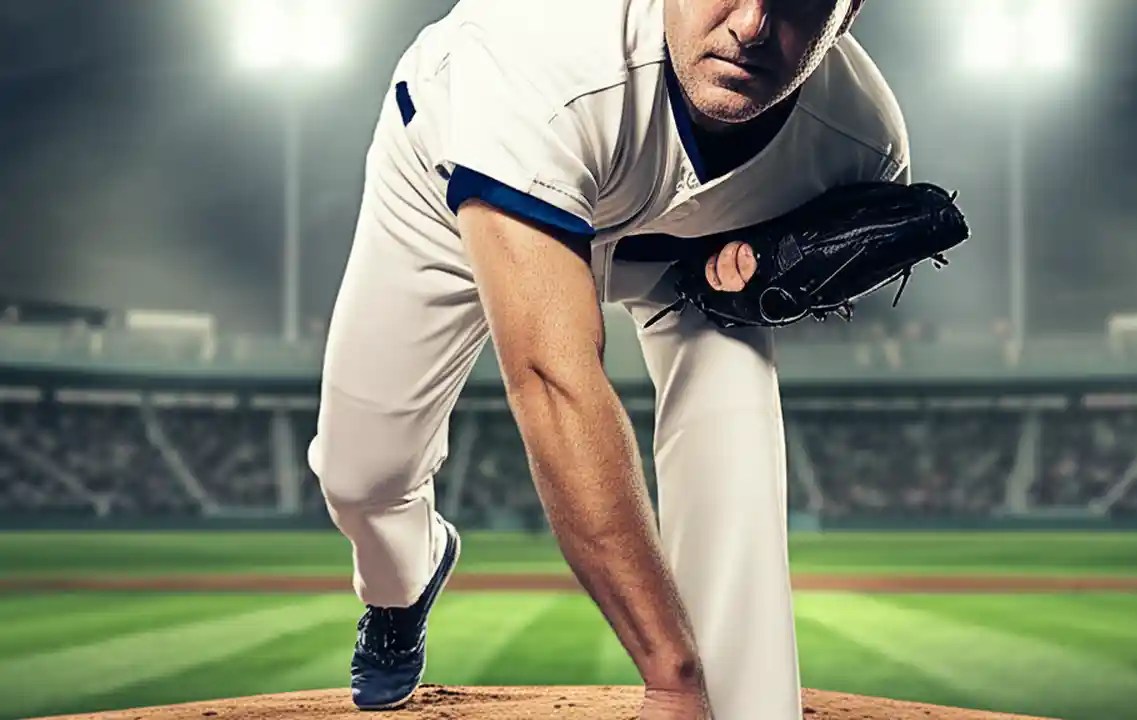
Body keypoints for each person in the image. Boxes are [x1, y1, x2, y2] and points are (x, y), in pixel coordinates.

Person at [307, 1, 908, 718]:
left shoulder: (861, 144)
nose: (751, 24)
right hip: (456, 192)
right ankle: (403, 576)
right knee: (362, 477)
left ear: (847, 12)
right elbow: (553, 379)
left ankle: (746, 708)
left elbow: (837, 259)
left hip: (678, 256)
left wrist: (763, 270)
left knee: (735, 414)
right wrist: (669, 674)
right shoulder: (540, 55)